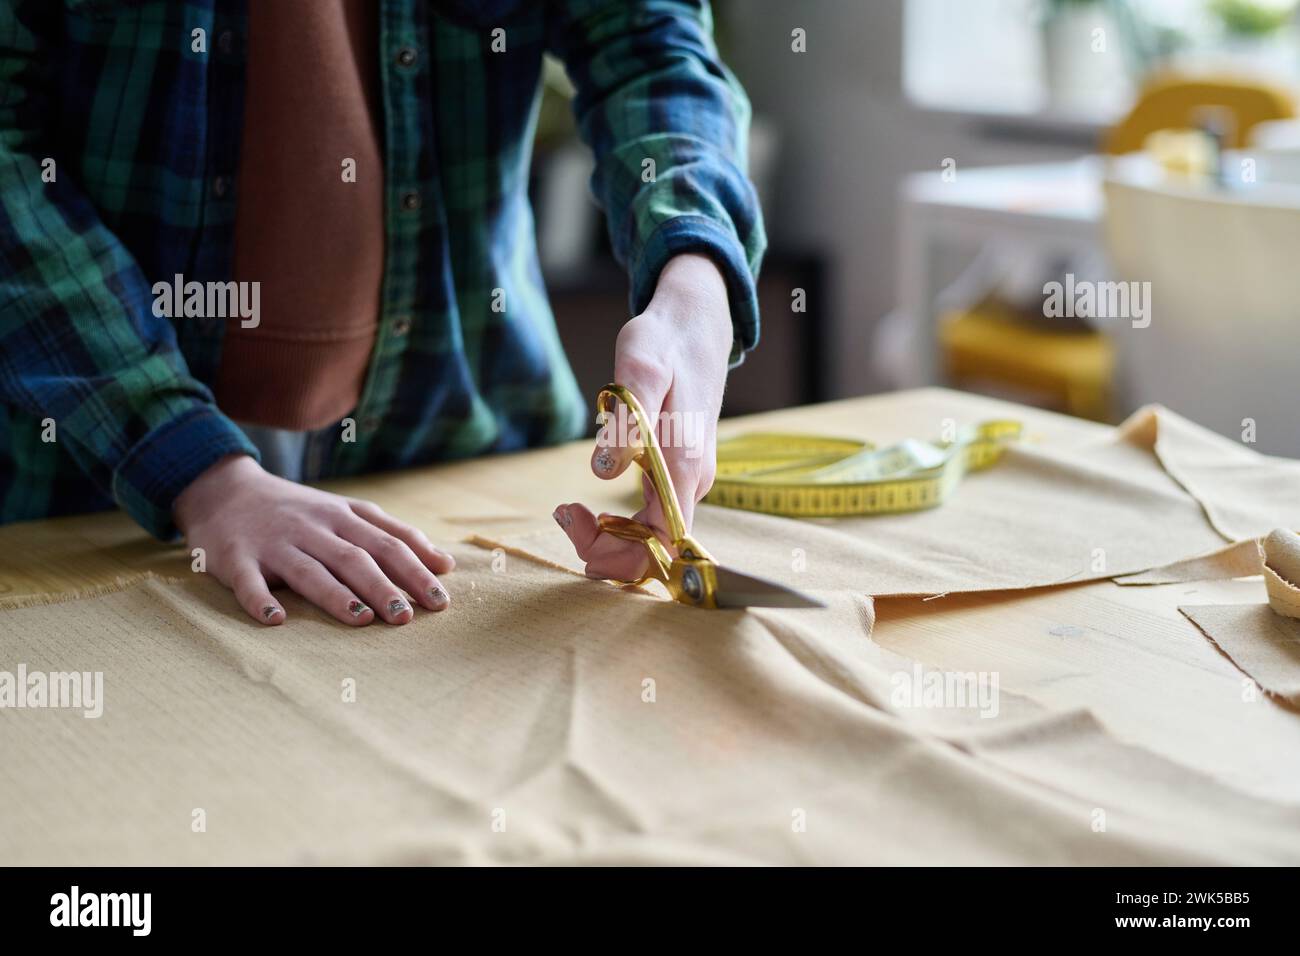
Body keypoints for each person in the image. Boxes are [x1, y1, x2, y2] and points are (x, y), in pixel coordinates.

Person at [0, 0, 764, 626]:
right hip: (81, 480)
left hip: (465, 447)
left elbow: (646, 39)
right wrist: (190, 466)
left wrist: (695, 276)